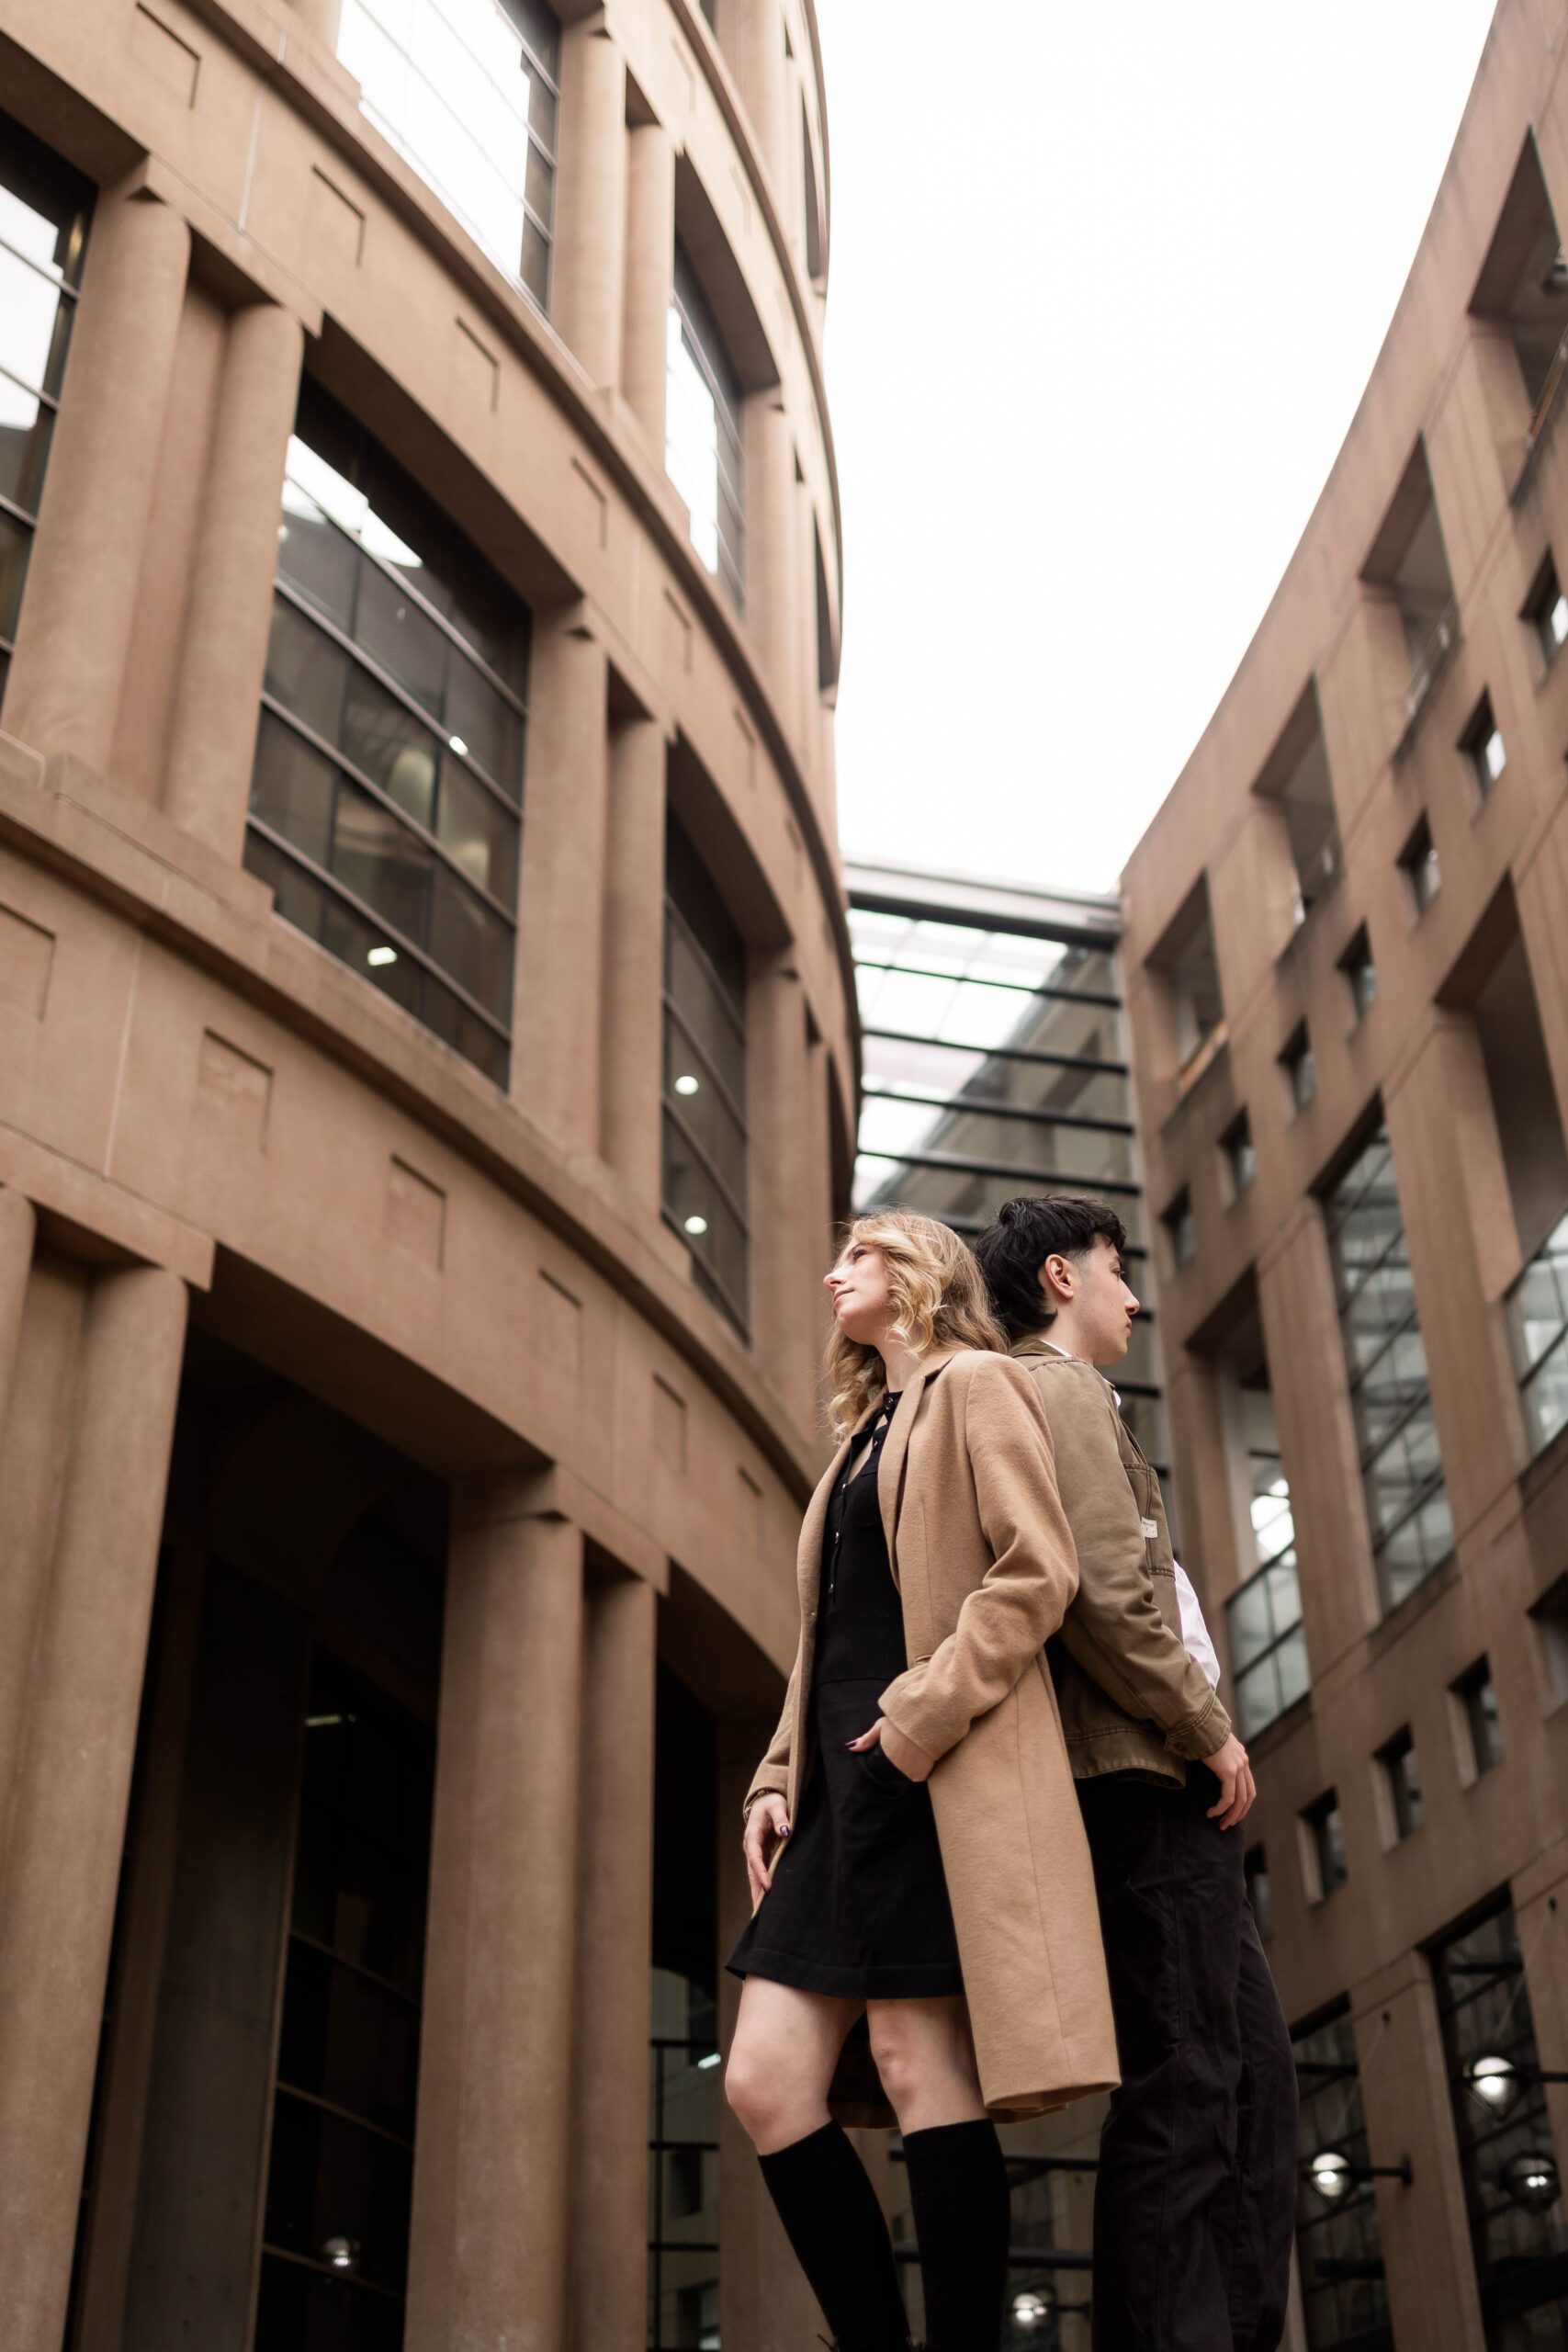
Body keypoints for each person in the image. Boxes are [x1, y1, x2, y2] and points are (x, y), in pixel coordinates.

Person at [724, 1209, 1118, 2352]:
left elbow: (1036, 1571)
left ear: (919, 1273)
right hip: (838, 1787)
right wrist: (774, 1772)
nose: (835, 1271)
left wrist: (918, 1720)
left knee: (913, 2065)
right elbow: (825, 1632)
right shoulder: (859, 1435)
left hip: (926, 1770)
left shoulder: (979, 1385)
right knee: (763, 2082)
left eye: (860, 1254)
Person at [974, 1195, 1298, 2352]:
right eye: (1118, 1271)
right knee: (1186, 2083)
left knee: (1249, 2076)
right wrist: (1207, 1725)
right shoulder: (1053, 1390)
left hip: (1165, 1781)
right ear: (1061, 1276)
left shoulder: (1071, 1395)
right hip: (1151, 1780)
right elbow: (1107, 1593)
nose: (1135, 1295)